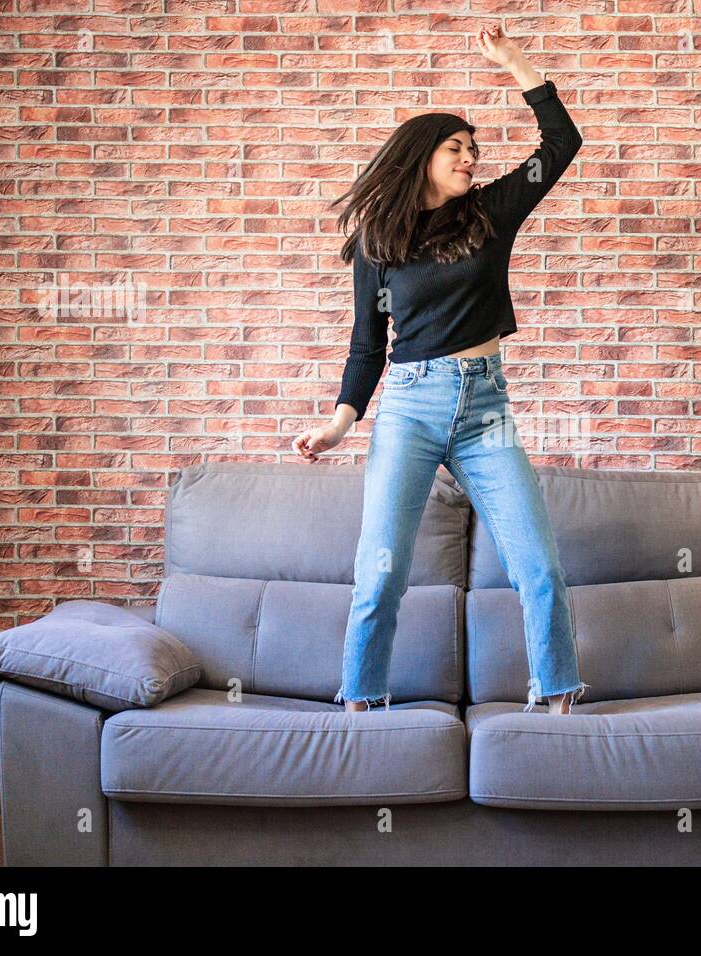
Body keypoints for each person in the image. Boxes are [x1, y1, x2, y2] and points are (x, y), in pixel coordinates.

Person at [290, 26, 588, 716]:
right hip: (410, 408)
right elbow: (367, 346)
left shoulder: (490, 213)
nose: (470, 156)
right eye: (456, 147)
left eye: (473, 147)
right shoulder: (378, 243)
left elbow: (560, 146)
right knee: (381, 573)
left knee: (537, 566)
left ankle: (559, 696)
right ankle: (362, 700)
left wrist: (517, 62)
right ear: (419, 156)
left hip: (487, 410)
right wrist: (338, 426)